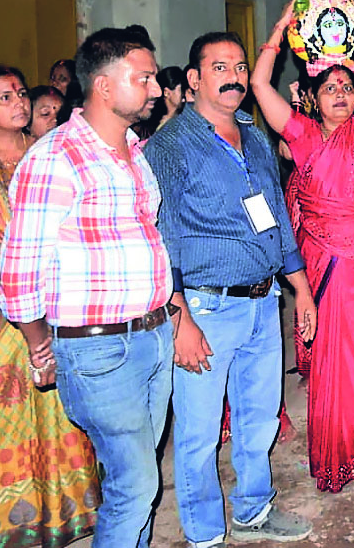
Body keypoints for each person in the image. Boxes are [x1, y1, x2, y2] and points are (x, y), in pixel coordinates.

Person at [0, 28, 174, 548]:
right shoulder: (55, 159)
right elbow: (17, 270)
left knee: (134, 481)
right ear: (103, 86)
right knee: (136, 484)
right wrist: (38, 343)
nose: (156, 89)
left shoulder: (134, 154)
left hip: (154, 336)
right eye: (142, 78)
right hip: (99, 349)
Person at [145, 32, 316, 547]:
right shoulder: (170, 147)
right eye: (220, 67)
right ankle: (202, 533)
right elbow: (161, 235)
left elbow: (278, 218)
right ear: (194, 79)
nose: (235, 76)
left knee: (259, 417)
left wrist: (301, 290)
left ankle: (254, 508)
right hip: (205, 306)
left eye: (241, 67)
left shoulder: (254, 135)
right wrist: (179, 319)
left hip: (264, 303)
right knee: (197, 433)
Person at [251, 0, 354, 492]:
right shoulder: (304, 136)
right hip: (329, 267)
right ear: (313, 97)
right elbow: (258, 86)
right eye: (329, 88)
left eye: (346, 86)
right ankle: (336, 459)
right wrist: (276, 30)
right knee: (336, 367)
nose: (339, 93)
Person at [0, 66, 99, 547]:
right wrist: (31, 268)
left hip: (54, 304)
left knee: (59, 409)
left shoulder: (47, 156)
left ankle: (64, 517)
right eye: (2, 96)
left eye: (19, 93)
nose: (17, 102)